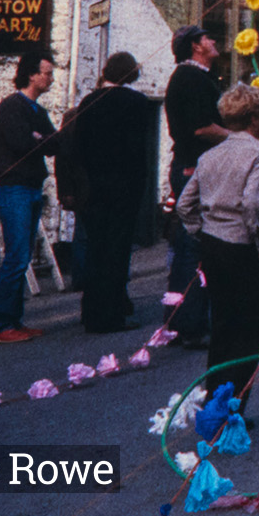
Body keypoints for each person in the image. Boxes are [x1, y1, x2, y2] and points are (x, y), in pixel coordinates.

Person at [175, 83, 259, 397]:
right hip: (241, 246)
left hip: (213, 244)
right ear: (255, 118)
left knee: (222, 325)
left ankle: (214, 398)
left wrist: (199, 231)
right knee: (251, 328)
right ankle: (233, 409)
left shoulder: (210, 155)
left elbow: (183, 205)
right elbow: (252, 203)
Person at [0, 48, 61, 344]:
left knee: (23, 255)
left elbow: (53, 143)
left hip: (31, 187)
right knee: (16, 256)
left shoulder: (37, 111)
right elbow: (21, 144)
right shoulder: (11, 107)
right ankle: (1, 324)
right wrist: (38, 139)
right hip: (14, 187)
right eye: (47, 73)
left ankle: (14, 320)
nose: (51, 78)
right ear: (31, 74)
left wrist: (38, 138)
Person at [73, 52, 150, 333]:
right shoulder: (136, 103)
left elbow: (79, 146)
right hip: (123, 186)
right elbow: (137, 151)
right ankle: (112, 314)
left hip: (93, 187)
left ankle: (90, 311)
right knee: (116, 252)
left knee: (95, 249)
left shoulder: (87, 102)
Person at [163, 25, 227, 348]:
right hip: (193, 168)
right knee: (194, 245)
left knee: (187, 244)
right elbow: (201, 127)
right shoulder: (190, 77)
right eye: (207, 37)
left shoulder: (199, 77)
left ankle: (178, 320)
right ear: (195, 46)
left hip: (195, 167)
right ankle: (190, 323)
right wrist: (239, 137)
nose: (213, 40)